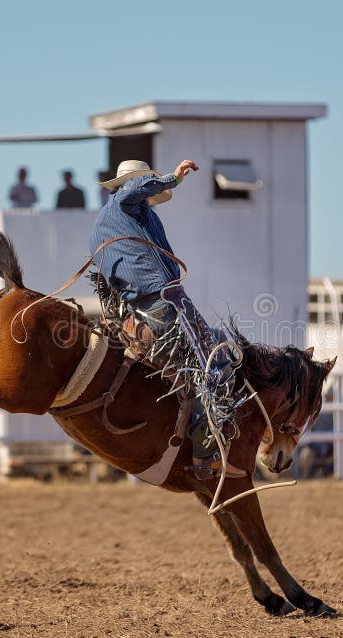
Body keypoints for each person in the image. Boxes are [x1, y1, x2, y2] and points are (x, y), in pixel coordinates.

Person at [89, 159, 239, 478]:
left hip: (155, 301)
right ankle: (206, 455)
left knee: (214, 348)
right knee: (213, 364)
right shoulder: (123, 202)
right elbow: (134, 189)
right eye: (144, 184)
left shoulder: (131, 217)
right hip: (163, 301)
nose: (146, 192)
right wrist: (173, 178)